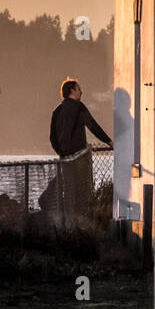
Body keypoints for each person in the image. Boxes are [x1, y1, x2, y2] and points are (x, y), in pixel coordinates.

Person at [45, 78, 112, 219]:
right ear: (72, 91)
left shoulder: (57, 111)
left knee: (69, 190)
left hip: (65, 158)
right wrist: (108, 141)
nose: (81, 91)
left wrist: (61, 152)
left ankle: (69, 219)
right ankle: (82, 219)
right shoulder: (78, 107)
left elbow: (52, 137)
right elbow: (93, 126)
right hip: (80, 156)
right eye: (79, 88)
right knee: (83, 191)